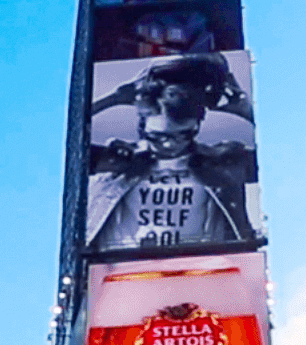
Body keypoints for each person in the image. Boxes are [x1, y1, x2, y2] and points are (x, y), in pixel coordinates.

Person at [84, 55, 257, 253]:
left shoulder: (222, 162)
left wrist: (245, 110)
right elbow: (65, 148)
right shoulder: (117, 160)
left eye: (182, 135)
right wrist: (113, 99)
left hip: (203, 270)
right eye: (157, 136)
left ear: (196, 128)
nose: (168, 143)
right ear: (142, 128)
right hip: (122, 269)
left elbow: (280, 161)